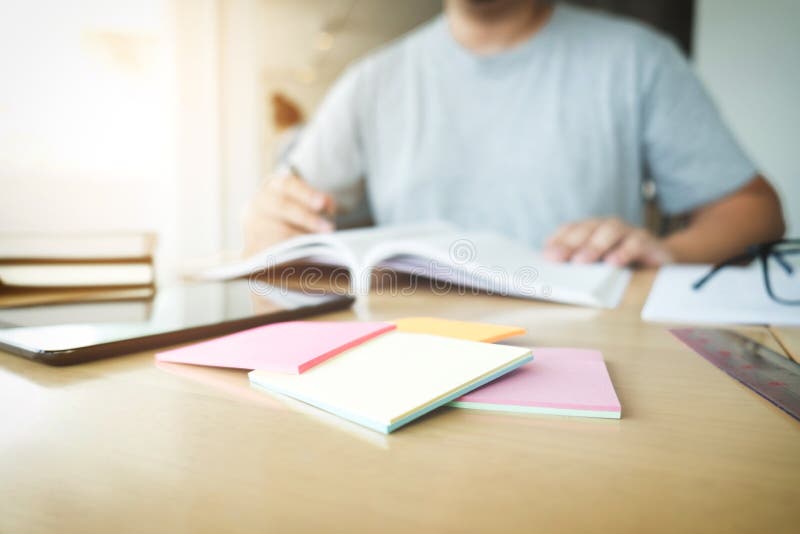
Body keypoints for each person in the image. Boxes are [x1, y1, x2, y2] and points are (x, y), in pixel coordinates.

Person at [244, 0, 785, 266]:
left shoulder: (638, 60)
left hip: (595, 358)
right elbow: (280, 219)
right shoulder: (372, 81)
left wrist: (666, 252)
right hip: (412, 357)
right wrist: (266, 221)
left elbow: (754, 208)